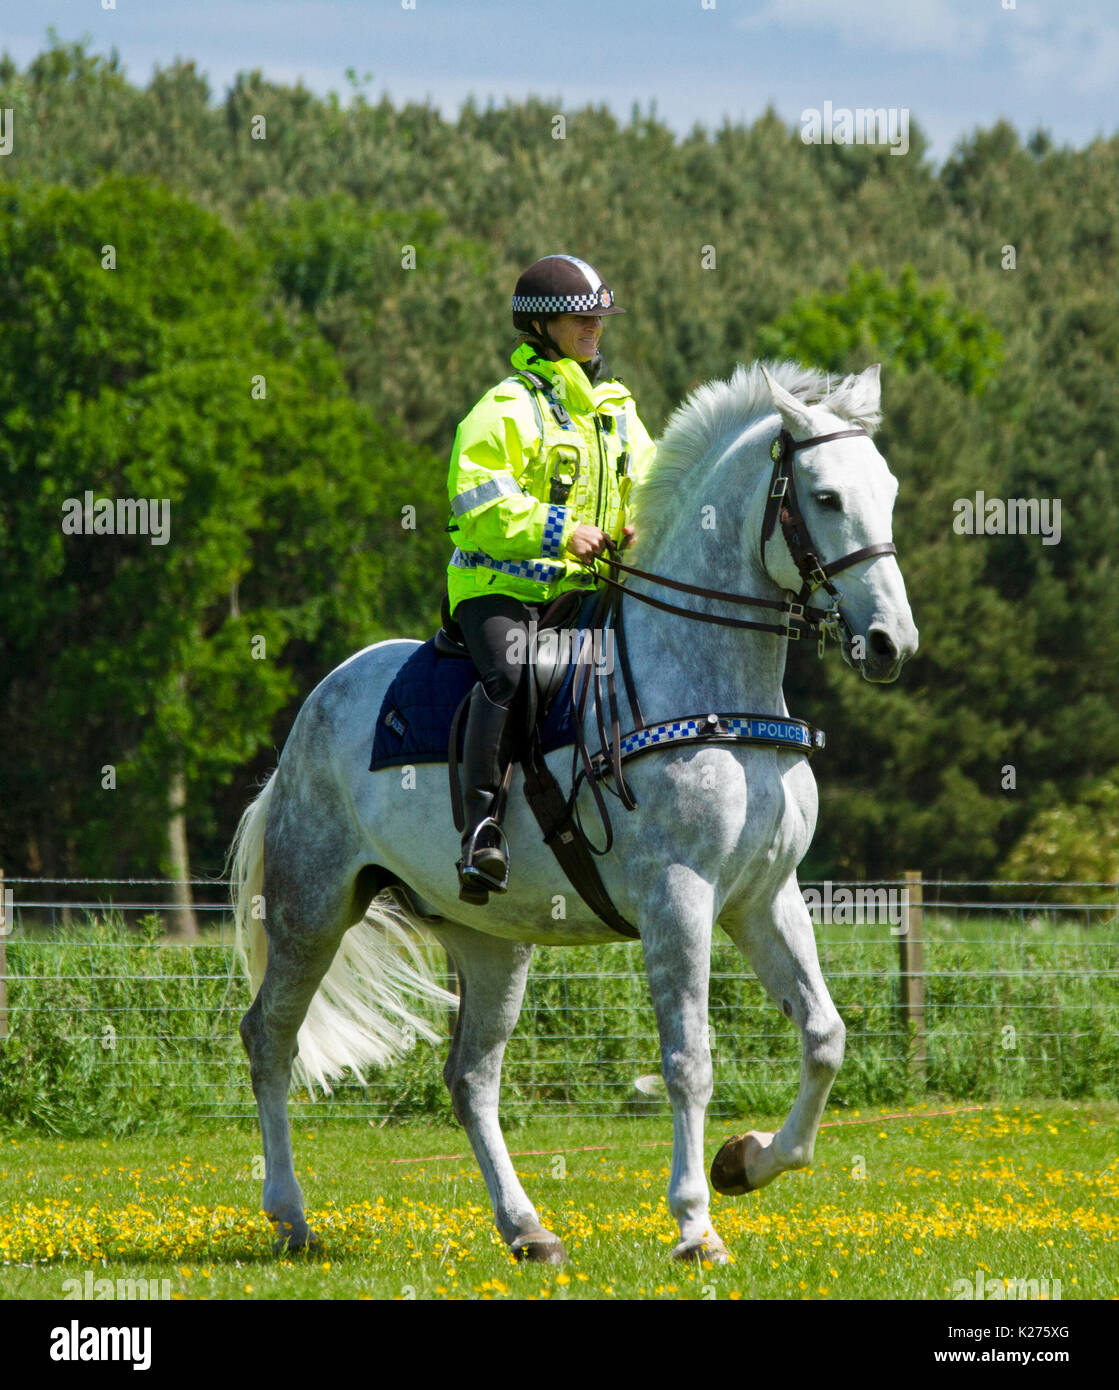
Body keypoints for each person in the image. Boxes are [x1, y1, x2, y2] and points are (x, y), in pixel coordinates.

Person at [445, 254, 655, 902]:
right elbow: (477, 504)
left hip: (582, 595)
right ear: (540, 325)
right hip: (498, 589)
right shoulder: (504, 408)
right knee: (514, 673)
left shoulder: (617, 408)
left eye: (600, 314)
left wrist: (646, 524)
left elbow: (650, 482)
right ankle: (481, 830)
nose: (595, 323)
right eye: (580, 313)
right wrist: (559, 531)